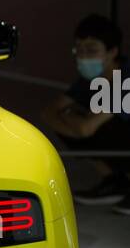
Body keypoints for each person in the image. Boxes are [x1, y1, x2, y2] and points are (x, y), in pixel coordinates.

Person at [41, 14, 130, 206]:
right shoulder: (88, 81)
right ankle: (115, 181)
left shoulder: (125, 79)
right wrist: (75, 123)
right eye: (79, 49)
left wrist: (70, 118)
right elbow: (49, 112)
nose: (84, 56)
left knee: (106, 127)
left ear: (112, 51)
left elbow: (86, 129)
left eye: (91, 50)